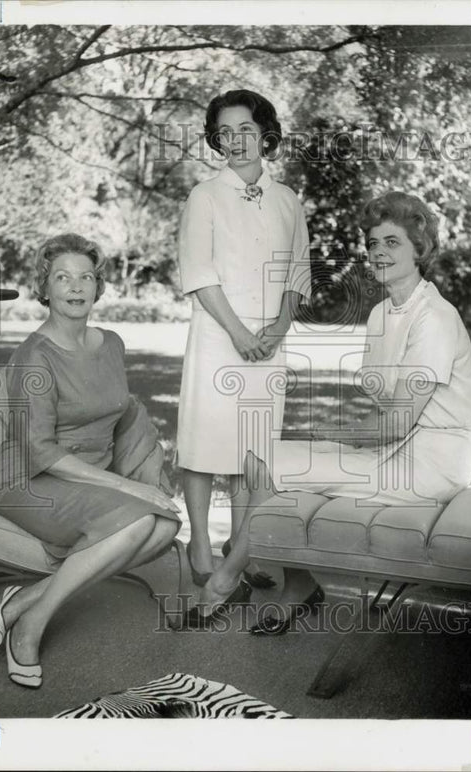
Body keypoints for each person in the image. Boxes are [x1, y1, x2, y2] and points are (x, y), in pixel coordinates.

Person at [177, 190, 471, 632]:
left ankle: (223, 582)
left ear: (421, 248)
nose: (378, 251)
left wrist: (324, 433)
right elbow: (386, 407)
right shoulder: (381, 313)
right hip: (396, 448)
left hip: (432, 461)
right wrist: (333, 439)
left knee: (273, 462)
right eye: (373, 243)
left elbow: (395, 421)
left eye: (392, 242)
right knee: (262, 460)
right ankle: (295, 585)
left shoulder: (434, 317)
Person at [0, 233, 181, 687]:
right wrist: (131, 488)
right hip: (28, 479)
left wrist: (148, 471)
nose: (75, 287)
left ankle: (21, 601)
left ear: (98, 287)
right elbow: (41, 451)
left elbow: (125, 413)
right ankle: (30, 628)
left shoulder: (111, 343)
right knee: (137, 521)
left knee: (166, 527)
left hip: (89, 478)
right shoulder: (33, 357)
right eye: (62, 277)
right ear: (45, 288)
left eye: (86, 277)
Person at [176, 89, 311, 589]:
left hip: (269, 341)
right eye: (226, 132)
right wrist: (238, 333)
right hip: (218, 334)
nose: (236, 141)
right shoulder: (205, 196)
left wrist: (277, 330)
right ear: (216, 139)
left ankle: (240, 540)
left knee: (250, 450)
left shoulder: (287, 200)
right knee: (204, 441)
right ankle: (199, 543)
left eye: (246, 130)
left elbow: (299, 272)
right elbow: (199, 272)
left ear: (265, 134)